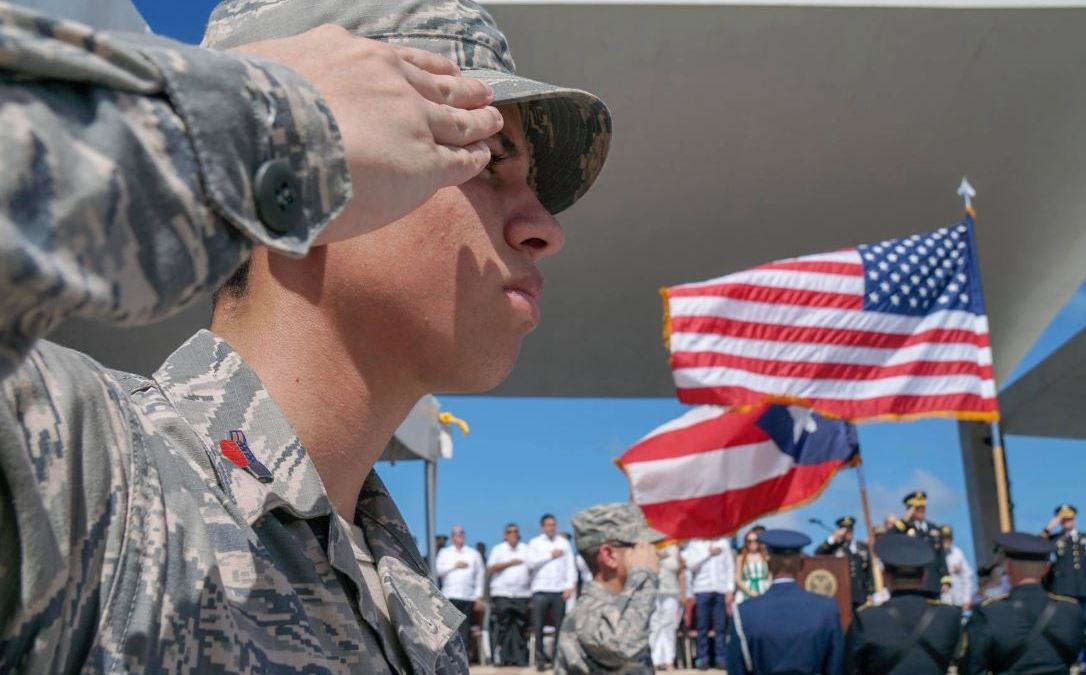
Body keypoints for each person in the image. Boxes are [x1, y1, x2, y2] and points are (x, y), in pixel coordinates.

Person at [0, 0, 611, 671]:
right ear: (334, 166)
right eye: (484, 157)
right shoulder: (87, 475)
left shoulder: (408, 601)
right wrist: (264, 131)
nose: (543, 229)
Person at [554, 503, 665, 674]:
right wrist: (643, 575)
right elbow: (622, 647)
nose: (654, 554)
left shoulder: (622, 608)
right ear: (609, 555)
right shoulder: (589, 611)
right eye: (640, 547)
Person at [961, 532, 1085, 675]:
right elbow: (1073, 656)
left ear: (1008, 568)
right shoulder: (1071, 611)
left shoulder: (988, 614)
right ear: (1046, 569)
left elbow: (970, 669)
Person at [726, 530, 843, 675]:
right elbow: (836, 667)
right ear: (801, 564)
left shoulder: (744, 613)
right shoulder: (827, 609)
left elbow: (736, 668)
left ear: (767, 563)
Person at [844, 533, 963, 674]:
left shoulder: (866, 619)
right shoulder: (949, 616)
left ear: (884, 576)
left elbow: (849, 668)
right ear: (924, 576)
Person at [527, 514, 578, 670]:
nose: (552, 527)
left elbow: (571, 566)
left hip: (559, 591)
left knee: (559, 627)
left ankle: (557, 660)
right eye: (549, 525)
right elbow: (529, 563)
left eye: (554, 524)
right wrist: (550, 555)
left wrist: (570, 586)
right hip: (540, 590)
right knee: (539, 627)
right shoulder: (535, 543)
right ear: (543, 526)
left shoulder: (563, 543)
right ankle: (540, 660)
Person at [681, 537, 735, 669]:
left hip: (720, 589)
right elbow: (690, 565)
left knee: (720, 627)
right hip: (702, 589)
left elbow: (729, 567)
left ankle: (720, 658)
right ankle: (702, 658)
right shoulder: (695, 543)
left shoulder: (723, 542)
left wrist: (729, 589)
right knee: (702, 626)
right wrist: (708, 554)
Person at [436, 525, 486, 658]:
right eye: (457, 533)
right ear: (452, 536)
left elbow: (480, 575)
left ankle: (463, 658)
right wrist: (454, 566)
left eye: (462, 533)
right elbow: (438, 571)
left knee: (465, 630)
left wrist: (479, 597)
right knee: (449, 630)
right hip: (450, 596)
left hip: (468, 597)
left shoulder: (473, 553)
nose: (460, 535)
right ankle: (450, 659)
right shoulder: (444, 553)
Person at [488, 523, 533, 667]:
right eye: (510, 532)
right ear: (505, 535)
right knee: (504, 624)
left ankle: (519, 658)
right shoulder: (498, 549)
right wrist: (509, 563)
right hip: (502, 593)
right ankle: (502, 657)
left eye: (515, 532)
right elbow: (491, 568)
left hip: (522, 593)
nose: (513, 534)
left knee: (520, 625)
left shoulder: (526, 549)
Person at [892, 491, 948, 597]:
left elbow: (941, 556)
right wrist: (905, 519)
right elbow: (890, 538)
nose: (921, 511)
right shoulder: (904, 528)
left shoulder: (934, 529)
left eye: (923, 508)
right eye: (917, 508)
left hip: (933, 582)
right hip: (914, 583)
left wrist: (945, 579)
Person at [815, 515, 874, 613]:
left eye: (850, 530)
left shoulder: (862, 547)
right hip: (842, 594)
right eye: (845, 530)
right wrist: (833, 538)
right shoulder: (834, 548)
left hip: (861, 594)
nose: (848, 533)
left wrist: (872, 590)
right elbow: (818, 553)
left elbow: (869, 570)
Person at [650, 542, 685, 670]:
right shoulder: (650, 547)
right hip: (653, 591)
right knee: (654, 625)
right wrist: (656, 558)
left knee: (669, 625)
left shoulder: (674, 548)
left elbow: (681, 572)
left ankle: (668, 659)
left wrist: (683, 592)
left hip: (672, 591)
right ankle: (654, 659)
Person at [941, 525, 975, 610]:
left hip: (959, 601)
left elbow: (967, 577)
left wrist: (967, 599)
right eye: (944, 538)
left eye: (948, 538)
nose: (946, 541)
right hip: (943, 602)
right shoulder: (934, 555)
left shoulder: (958, 553)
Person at [735, 527, 771, 604]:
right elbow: (738, 579)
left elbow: (770, 576)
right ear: (746, 542)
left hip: (764, 591)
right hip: (746, 593)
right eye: (749, 541)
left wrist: (767, 590)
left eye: (755, 541)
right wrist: (750, 592)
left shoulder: (766, 557)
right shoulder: (740, 558)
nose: (752, 543)